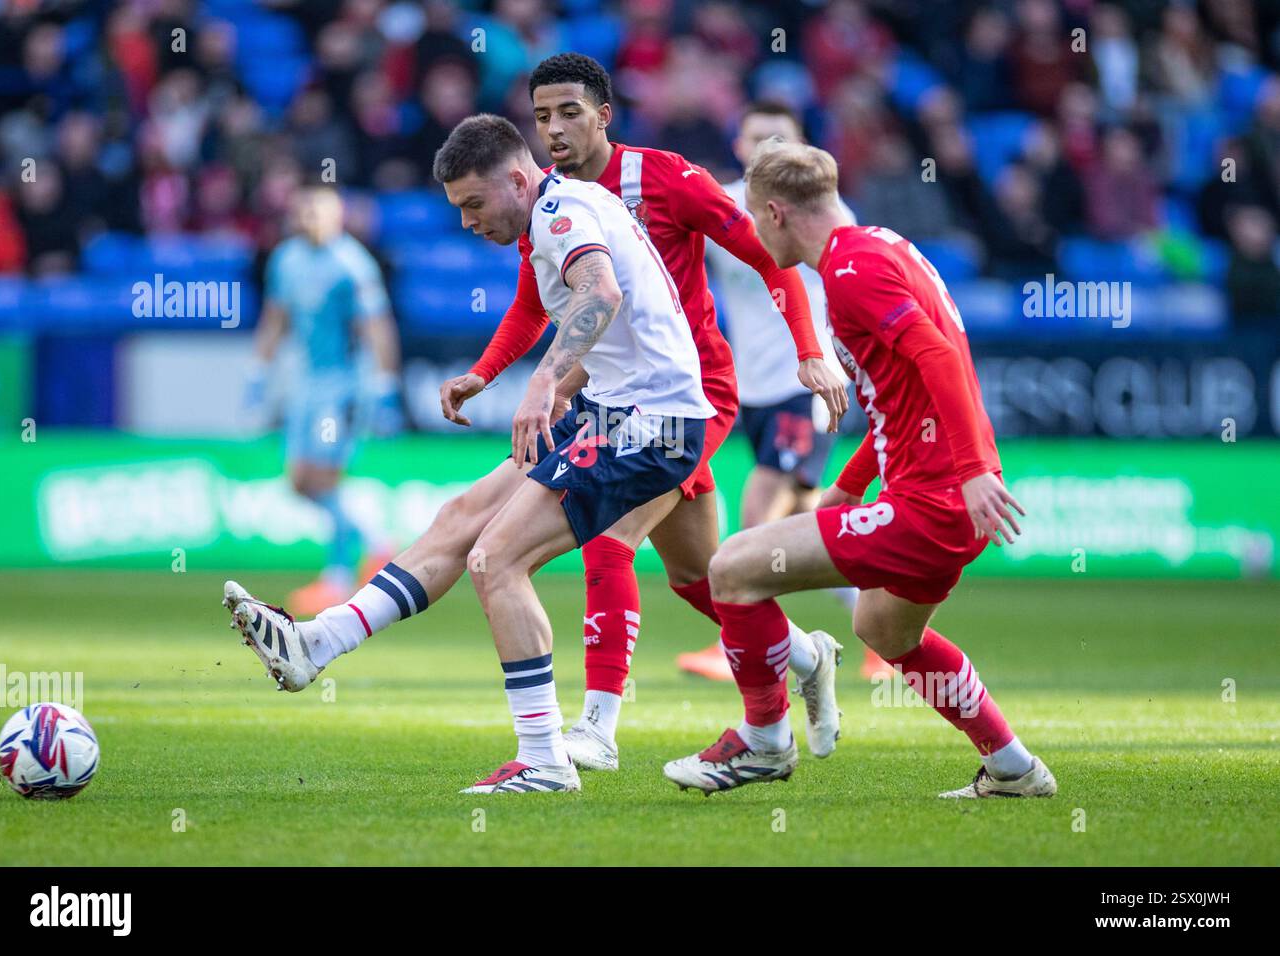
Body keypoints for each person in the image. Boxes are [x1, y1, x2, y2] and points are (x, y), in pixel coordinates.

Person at [223, 53, 850, 776]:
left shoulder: (650, 181)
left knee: (588, 542)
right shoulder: (553, 203)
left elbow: (746, 261)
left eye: (568, 113)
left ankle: (592, 731)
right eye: (542, 115)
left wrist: (811, 349)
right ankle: (318, 643)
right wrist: (489, 374)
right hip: (609, 395)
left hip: (680, 398)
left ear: (604, 115)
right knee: (686, 575)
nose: (553, 128)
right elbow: (534, 304)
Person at [663, 140, 1057, 799]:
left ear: (777, 212)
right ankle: (1013, 767)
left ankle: (763, 743)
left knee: (731, 568)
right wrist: (847, 486)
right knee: (883, 629)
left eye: (755, 221)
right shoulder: (880, 247)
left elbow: (939, 361)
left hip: (933, 502)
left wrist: (976, 468)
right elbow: (897, 396)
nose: (754, 238)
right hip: (936, 498)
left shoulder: (850, 272)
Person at [677, 100, 892, 684]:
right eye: (757, 138)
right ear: (740, 147)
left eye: (780, 138)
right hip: (751, 388)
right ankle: (884, 620)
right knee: (807, 514)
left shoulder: (823, 213)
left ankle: (739, 641)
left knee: (759, 505)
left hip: (810, 385)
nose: (767, 148)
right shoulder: (720, 202)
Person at [245, 186, 403, 616]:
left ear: (338, 217)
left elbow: (377, 327)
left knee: (324, 478)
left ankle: (337, 578)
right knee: (298, 483)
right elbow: (276, 317)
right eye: (306, 211)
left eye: (321, 212)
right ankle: (377, 541)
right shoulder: (286, 259)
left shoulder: (352, 265)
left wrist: (385, 386)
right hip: (305, 385)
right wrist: (259, 371)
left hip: (343, 386)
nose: (312, 219)